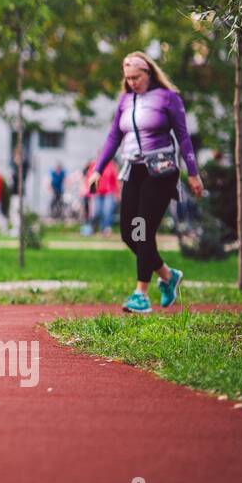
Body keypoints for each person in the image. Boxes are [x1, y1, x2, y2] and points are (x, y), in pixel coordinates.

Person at [89, 52, 203, 313]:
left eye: (136, 77)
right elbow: (113, 137)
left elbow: (184, 138)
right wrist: (98, 170)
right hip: (133, 169)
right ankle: (167, 276)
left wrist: (193, 173)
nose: (131, 83)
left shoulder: (168, 98)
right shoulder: (125, 100)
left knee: (142, 229)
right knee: (129, 233)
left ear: (149, 73)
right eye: (127, 78)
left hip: (161, 170)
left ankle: (141, 293)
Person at [94, 159, 120, 234]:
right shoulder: (95, 165)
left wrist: (117, 193)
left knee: (107, 211)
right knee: (98, 211)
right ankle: (101, 228)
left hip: (109, 192)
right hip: (98, 192)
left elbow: (116, 180)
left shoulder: (112, 166)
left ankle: (107, 228)